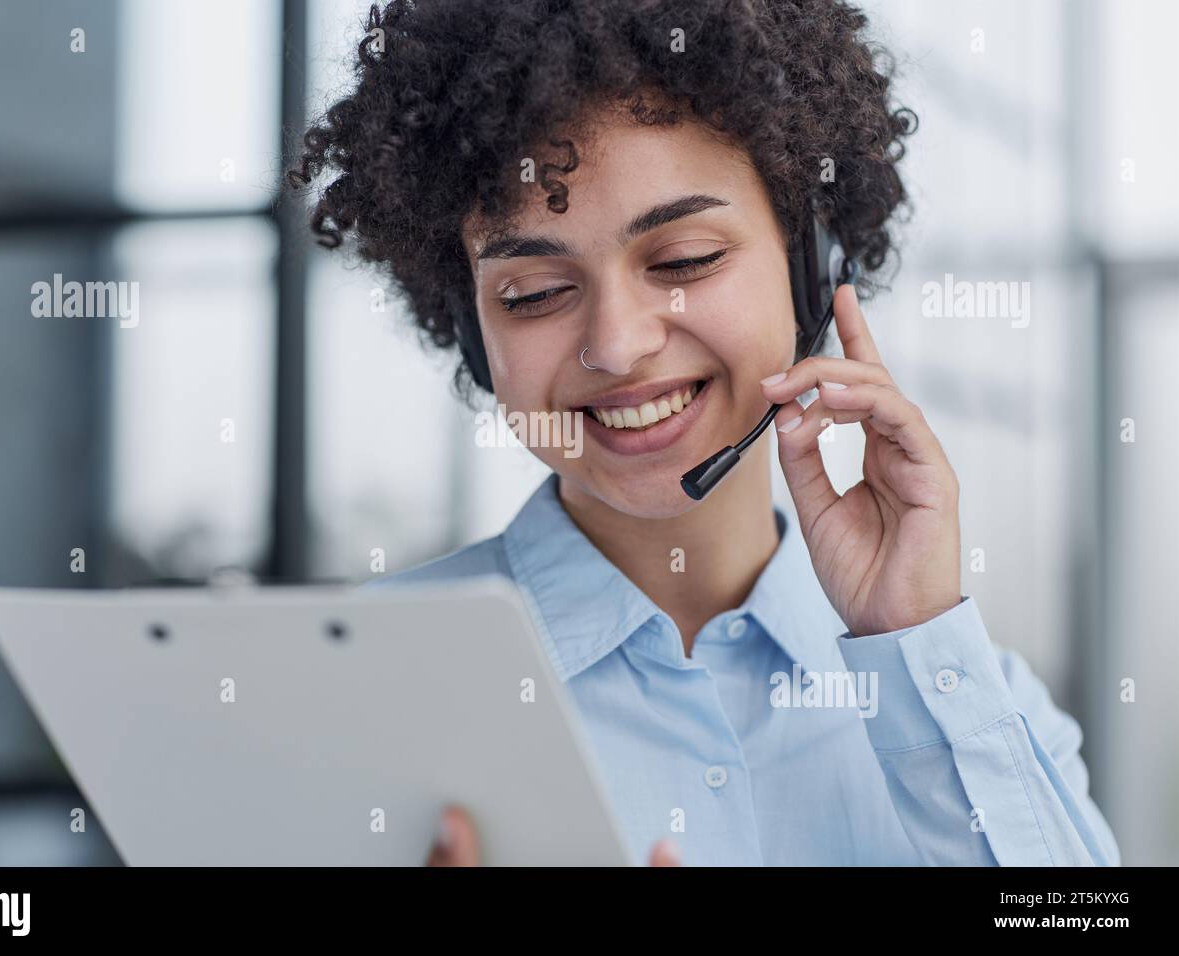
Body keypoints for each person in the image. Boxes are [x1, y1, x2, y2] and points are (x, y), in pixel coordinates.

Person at [288, 0, 1119, 866]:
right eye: (532, 292)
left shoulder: (978, 705)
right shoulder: (350, 688)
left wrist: (912, 639)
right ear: (470, 327)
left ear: (814, 266)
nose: (616, 346)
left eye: (684, 262)